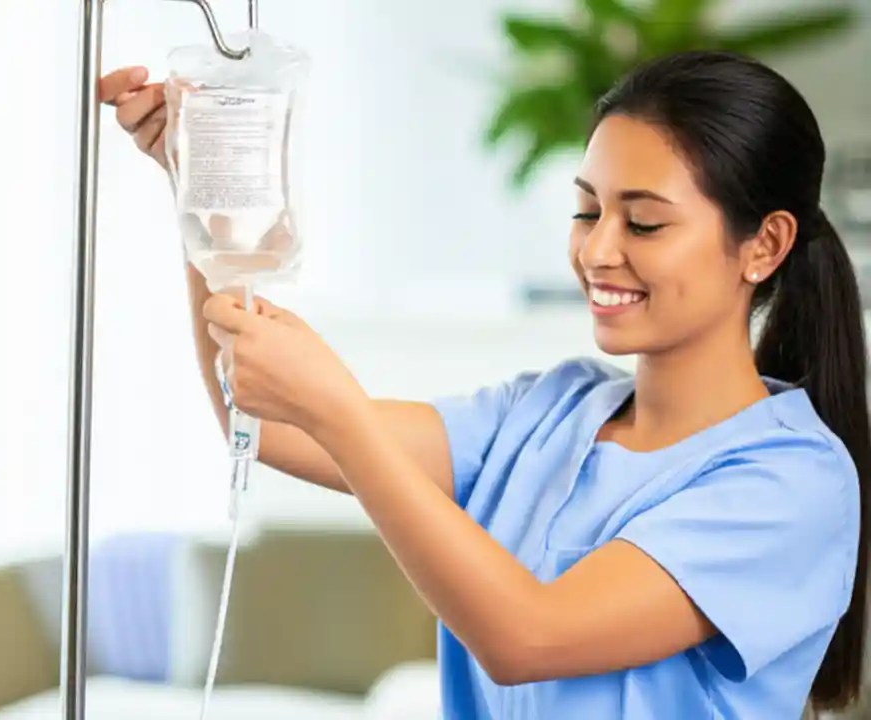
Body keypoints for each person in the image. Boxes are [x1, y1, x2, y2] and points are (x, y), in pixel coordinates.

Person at [100, 50, 869, 719]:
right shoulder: (549, 410)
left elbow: (530, 637)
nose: (598, 250)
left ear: (763, 245)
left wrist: (338, 408)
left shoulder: (791, 480)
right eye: (586, 209)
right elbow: (271, 426)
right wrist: (205, 202)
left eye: (643, 224)